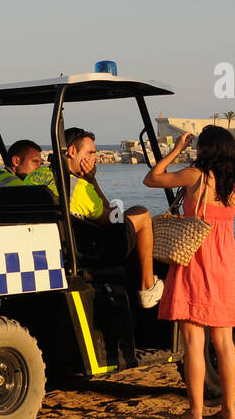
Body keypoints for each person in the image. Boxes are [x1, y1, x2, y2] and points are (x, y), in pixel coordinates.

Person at [143, 126, 235, 419]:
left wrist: (175, 149)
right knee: (225, 341)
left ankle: (196, 413)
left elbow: (151, 178)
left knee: (193, 341)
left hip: (195, 261)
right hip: (224, 266)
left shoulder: (195, 176)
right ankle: (229, 411)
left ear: (206, 149)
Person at [59, 127, 164, 306]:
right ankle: (148, 287)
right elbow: (114, 219)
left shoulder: (38, 176)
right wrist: (92, 181)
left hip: (64, 246)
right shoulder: (79, 187)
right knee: (142, 213)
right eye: (90, 152)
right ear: (72, 152)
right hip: (90, 250)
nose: (95, 157)